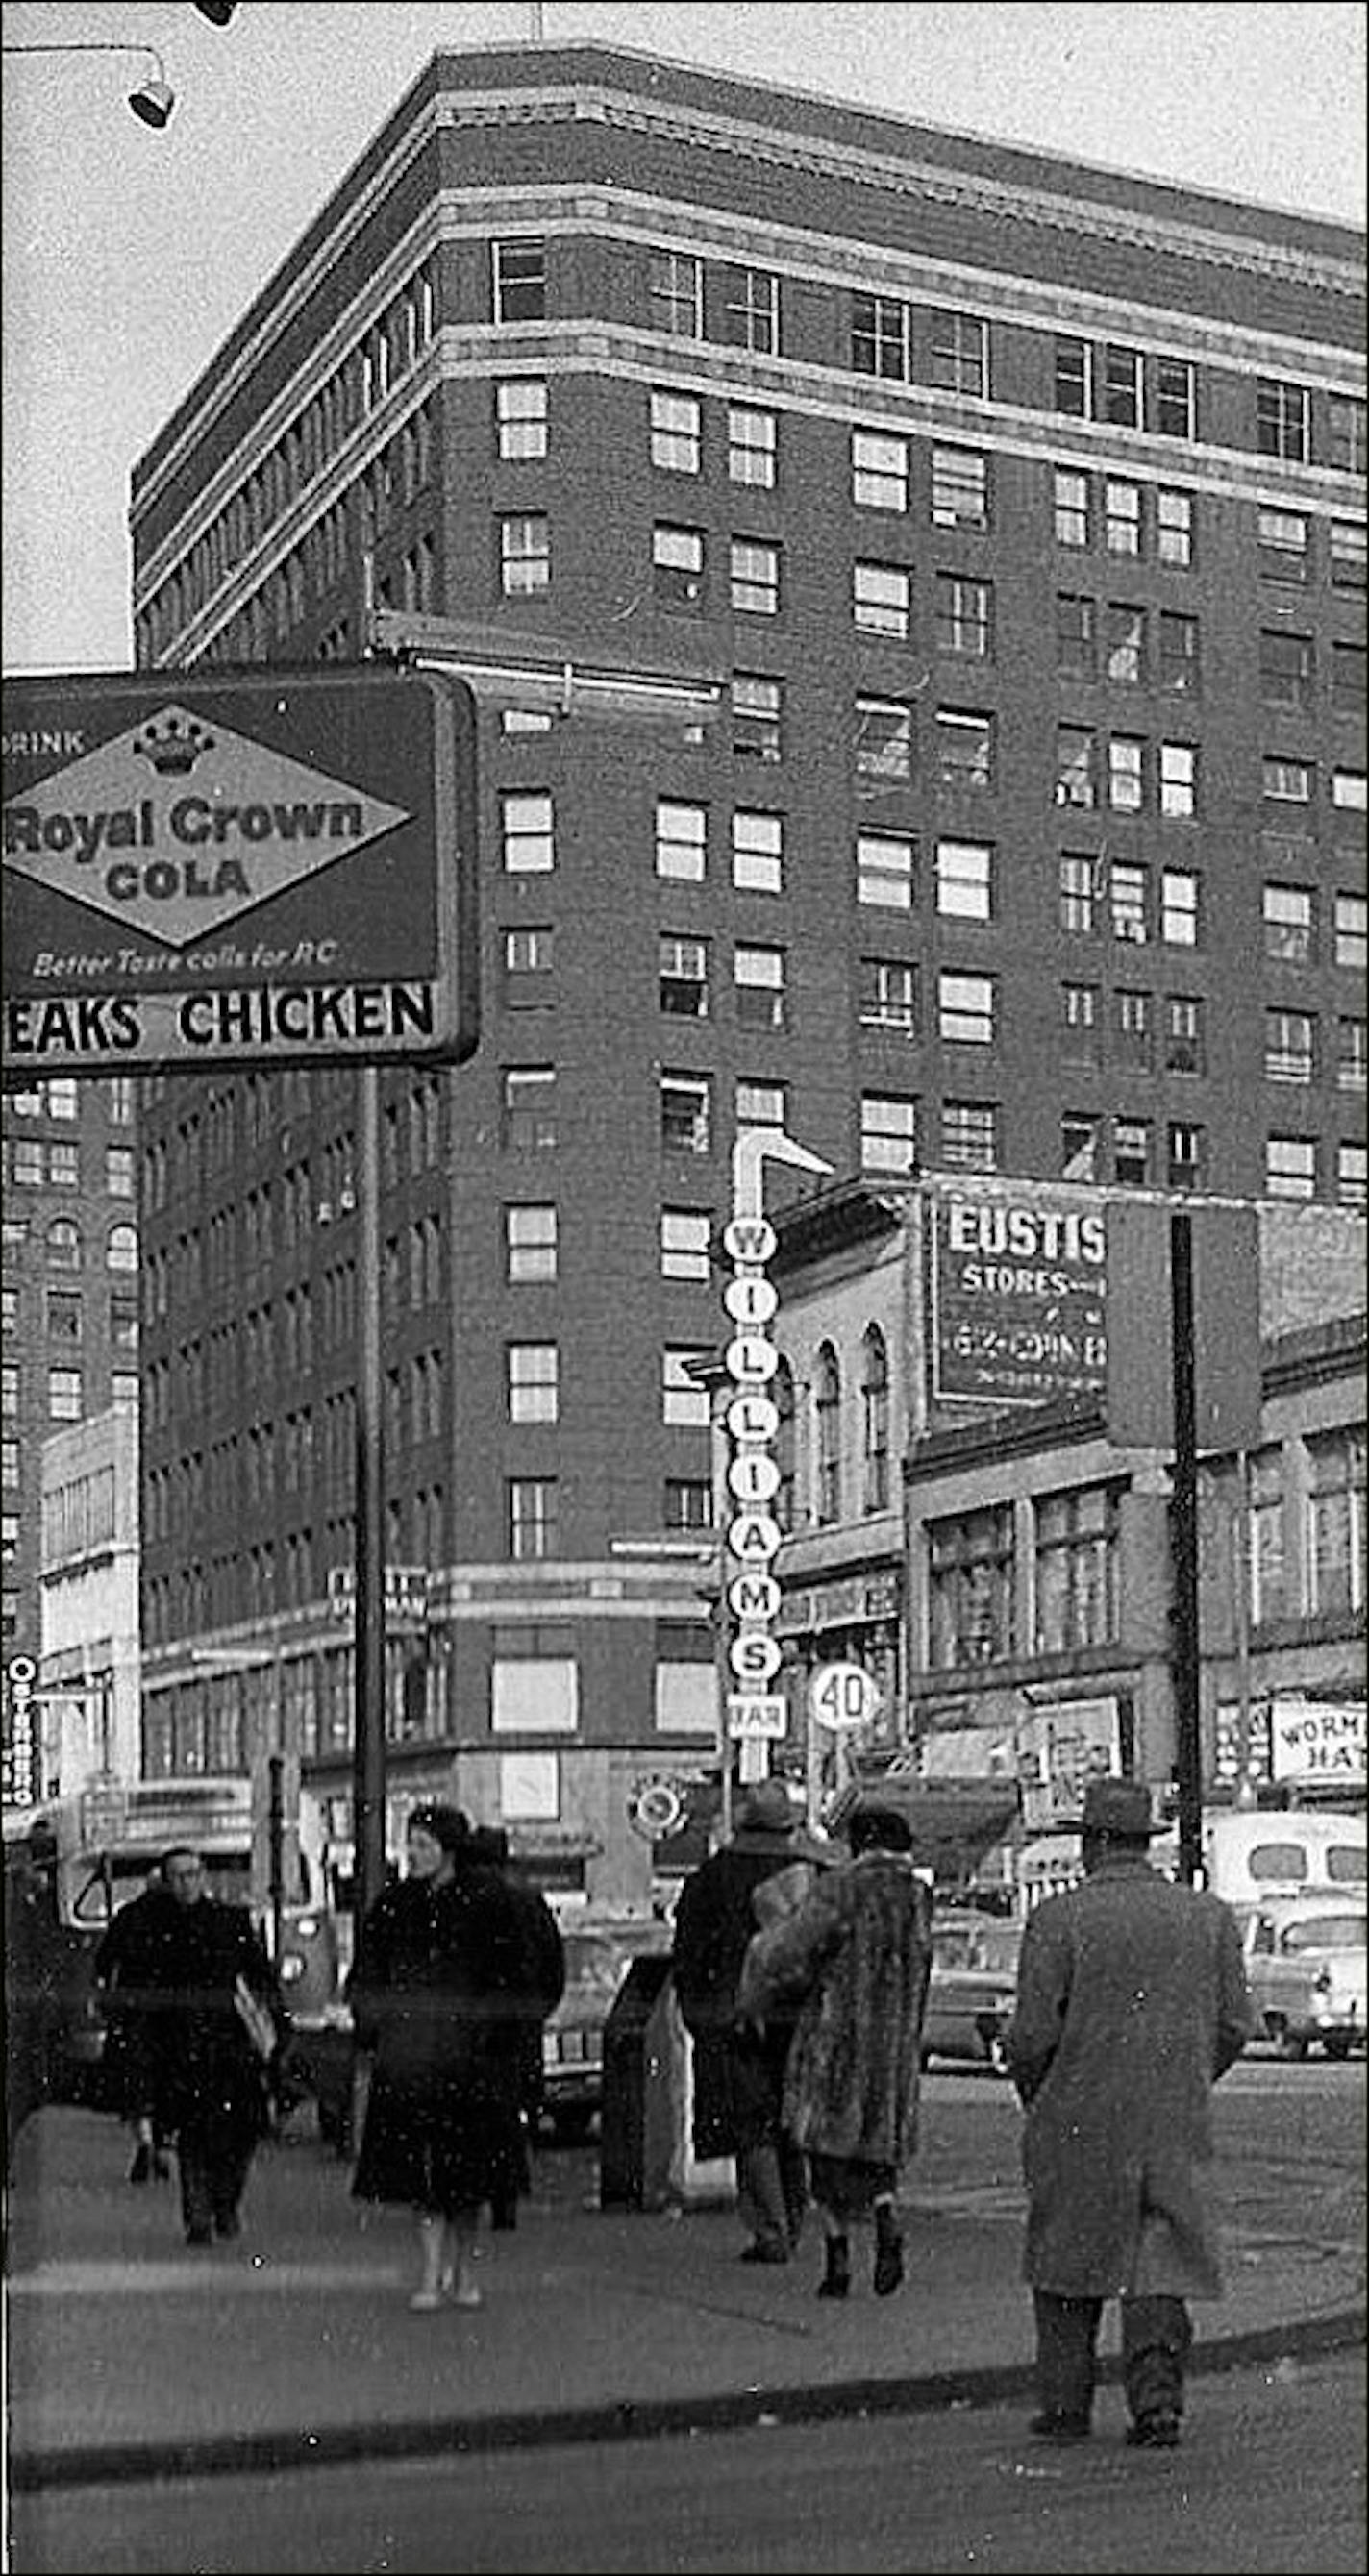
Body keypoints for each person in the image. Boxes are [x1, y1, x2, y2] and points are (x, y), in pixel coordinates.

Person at [1006, 1775, 1254, 2450]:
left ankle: (1064, 2405)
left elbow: (1031, 2036)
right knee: (1160, 2263)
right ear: (1145, 1845)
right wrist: (1191, 2074)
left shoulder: (1058, 1920)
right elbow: (1235, 2023)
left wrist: (1042, 2092)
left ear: (1091, 1844)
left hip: (1076, 2114)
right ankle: (1157, 2405)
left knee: (1065, 2262)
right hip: (1172, 2116)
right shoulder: (1208, 1917)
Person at [348, 1803, 538, 2311]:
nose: (413, 1853)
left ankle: (464, 2269)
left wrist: (493, 2035)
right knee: (423, 2176)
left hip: (472, 2060)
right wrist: (375, 2022)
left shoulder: (488, 1903)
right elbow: (368, 1973)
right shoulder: (394, 1905)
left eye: (424, 1845)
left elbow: (514, 1979)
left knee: (469, 2177)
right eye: (410, 1843)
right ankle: (431, 2272)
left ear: (449, 1850)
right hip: (411, 2056)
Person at [740, 1798, 933, 2299]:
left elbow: (789, 1950)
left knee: (824, 2150)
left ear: (859, 1843)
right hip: (891, 2043)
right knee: (877, 2153)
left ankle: (838, 2262)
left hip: (836, 2036)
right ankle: (886, 2213)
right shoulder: (916, 1896)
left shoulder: (842, 1888)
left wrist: (764, 1957)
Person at [672, 1778, 832, 2266]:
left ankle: (771, 2228)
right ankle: (796, 2218)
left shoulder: (713, 1877)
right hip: (801, 2014)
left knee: (751, 2123)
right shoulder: (814, 1874)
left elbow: (689, 1954)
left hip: (734, 2015)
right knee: (791, 2120)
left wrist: (700, 2015)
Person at [116, 1845, 286, 2246]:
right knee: (193, 2137)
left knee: (239, 2135)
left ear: (204, 1876)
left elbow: (260, 1978)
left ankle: (225, 2202)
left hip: (231, 2047)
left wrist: (276, 2027)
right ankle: (199, 2215)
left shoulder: (231, 1921)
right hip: (181, 2049)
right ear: (166, 1880)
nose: (186, 1883)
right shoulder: (153, 1931)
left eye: (193, 1874)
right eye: (178, 1875)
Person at [466, 1824, 566, 2230]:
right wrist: (536, 2012)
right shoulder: (529, 1902)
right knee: (510, 2115)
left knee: (469, 2117)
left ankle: (468, 2195)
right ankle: (505, 2198)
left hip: (471, 2027)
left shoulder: (463, 1901)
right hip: (518, 2027)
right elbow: (553, 1967)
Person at [91, 1867, 175, 2183]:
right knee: (167, 2080)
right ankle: (160, 2144)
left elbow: (104, 1961)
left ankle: (146, 2142)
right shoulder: (181, 1918)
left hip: (133, 2012)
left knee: (136, 2086)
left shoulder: (129, 1916)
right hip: (171, 2013)